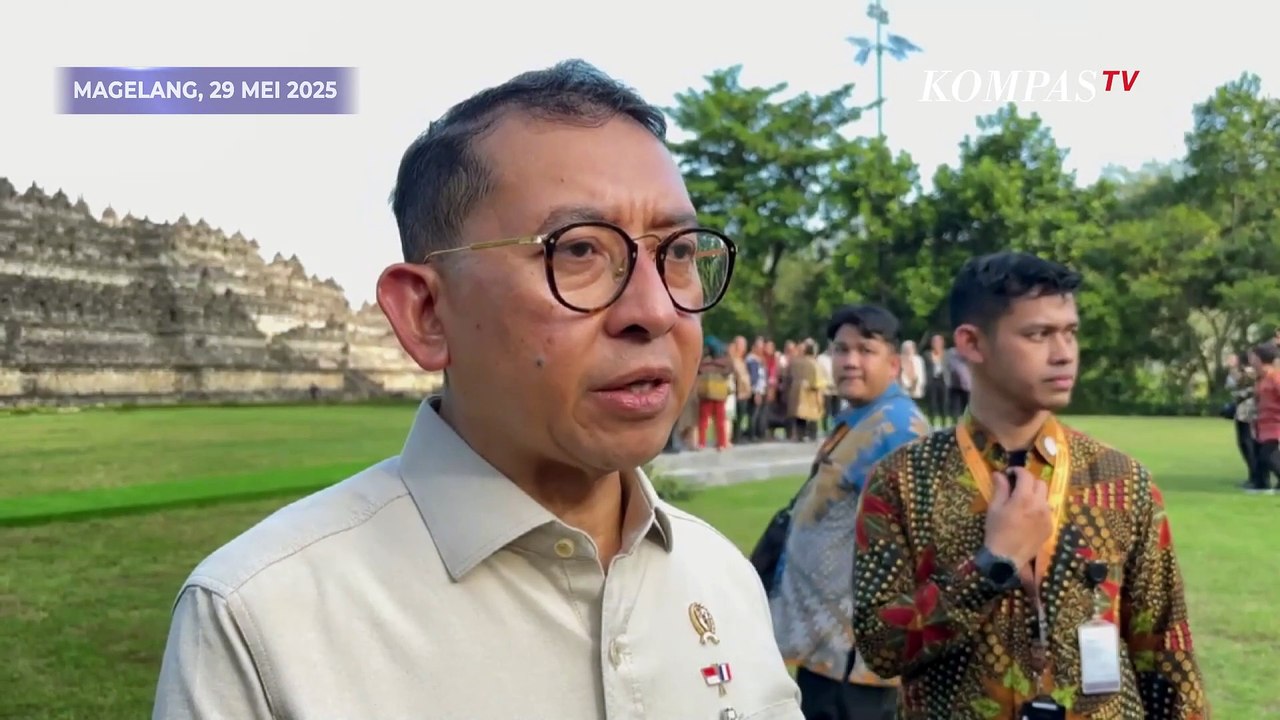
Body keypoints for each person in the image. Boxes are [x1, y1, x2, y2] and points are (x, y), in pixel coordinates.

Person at [151, 60, 802, 720]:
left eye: (680, 253)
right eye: (577, 251)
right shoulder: (264, 620)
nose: (655, 310)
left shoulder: (722, 579)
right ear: (427, 314)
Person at [852, 251, 1207, 719]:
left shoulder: (1120, 481)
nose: (1064, 353)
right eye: (1038, 334)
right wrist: (991, 566)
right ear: (973, 344)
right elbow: (881, 649)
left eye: (1070, 332)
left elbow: (1166, 656)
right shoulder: (904, 480)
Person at [766, 304, 930, 720]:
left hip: (857, 668)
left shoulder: (899, 431)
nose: (850, 362)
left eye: (865, 350)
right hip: (825, 655)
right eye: (841, 349)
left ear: (893, 363)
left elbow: (925, 548)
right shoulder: (860, 420)